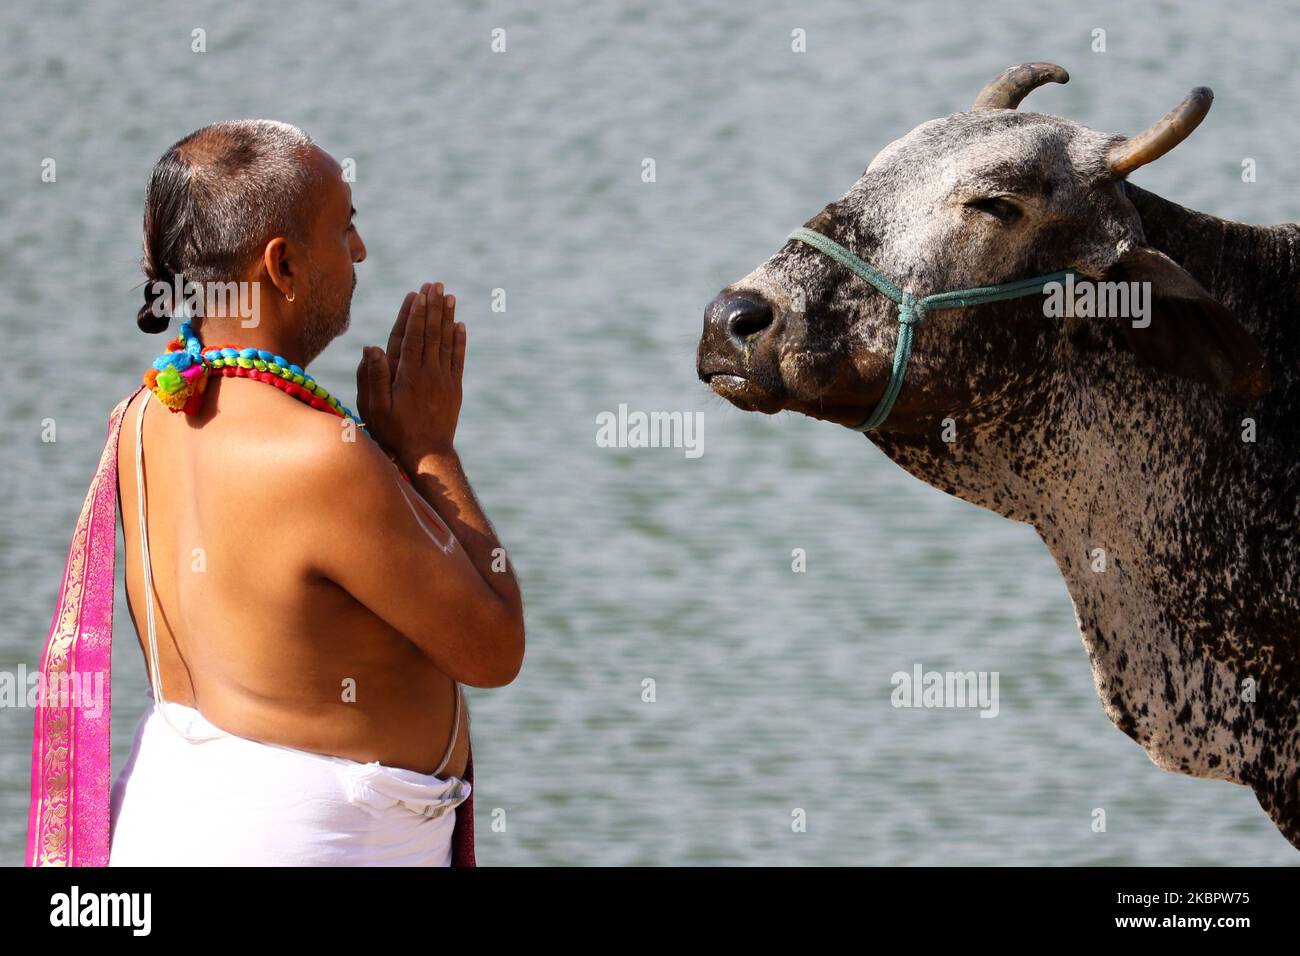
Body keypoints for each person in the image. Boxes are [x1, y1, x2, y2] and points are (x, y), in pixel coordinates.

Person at [24, 120, 524, 867]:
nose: (359, 251)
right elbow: (493, 648)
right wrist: (427, 451)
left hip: (167, 820)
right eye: (345, 227)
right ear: (282, 265)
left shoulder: (141, 419)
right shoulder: (320, 458)